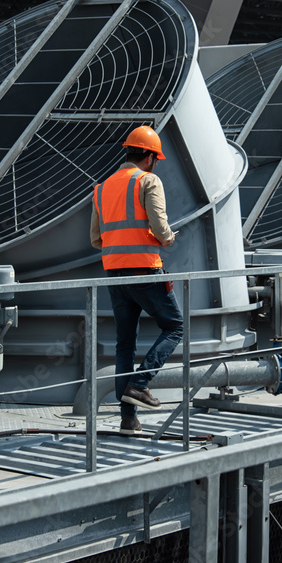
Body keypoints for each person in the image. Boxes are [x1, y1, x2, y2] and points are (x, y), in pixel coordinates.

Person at [90, 125, 184, 435]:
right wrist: (168, 239)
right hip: (145, 268)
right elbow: (160, 227)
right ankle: (140, 383)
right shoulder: (148, 180)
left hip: (114, 273)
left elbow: (96, 239)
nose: (156, 164)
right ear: (148, 157)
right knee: (174, 326)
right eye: (156, 158)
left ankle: (128, 419)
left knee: (124, 345)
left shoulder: (101, 188)